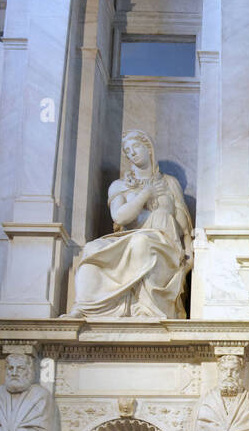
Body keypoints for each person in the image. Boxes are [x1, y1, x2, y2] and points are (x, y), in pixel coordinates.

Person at [70, 131, 193, 319]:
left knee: (141, 242)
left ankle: (144, 309)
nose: (132, 153)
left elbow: (184, 228)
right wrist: (146, 193)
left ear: (148, 148)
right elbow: (120, 218)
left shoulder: (169, 183)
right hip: (127, 238)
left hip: (163, 243)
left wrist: (189, 253)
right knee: (92, 249)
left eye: (135, 146)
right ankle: (85, 307)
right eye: (127, 151)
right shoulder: (119, 185)